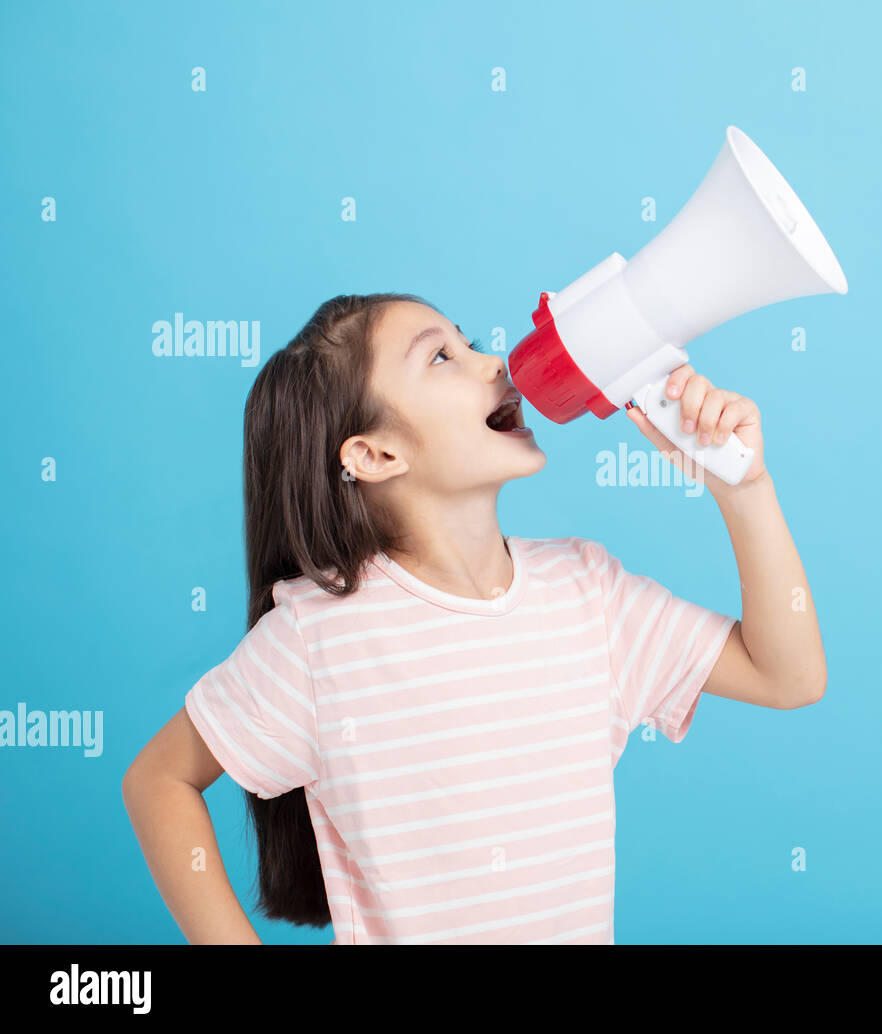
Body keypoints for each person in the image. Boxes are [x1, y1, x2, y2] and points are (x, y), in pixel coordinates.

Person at [122, 293, 826, 944]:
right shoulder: (318, 638)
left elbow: (787, 674)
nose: (496, 362)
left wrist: (742, 486)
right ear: (374, 454)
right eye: (441, 357)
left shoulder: (587, 592)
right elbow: (158, 781)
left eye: (471, 343)